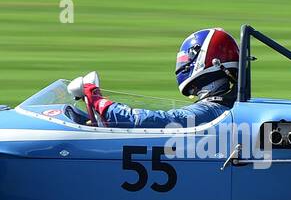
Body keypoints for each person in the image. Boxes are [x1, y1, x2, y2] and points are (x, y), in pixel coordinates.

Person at [68, 28, 239, 128]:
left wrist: (101, 103)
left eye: (185, 59)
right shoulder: (221, 108)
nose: (182, 64)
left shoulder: (210, 111)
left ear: (210, 60)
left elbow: (154, 121)